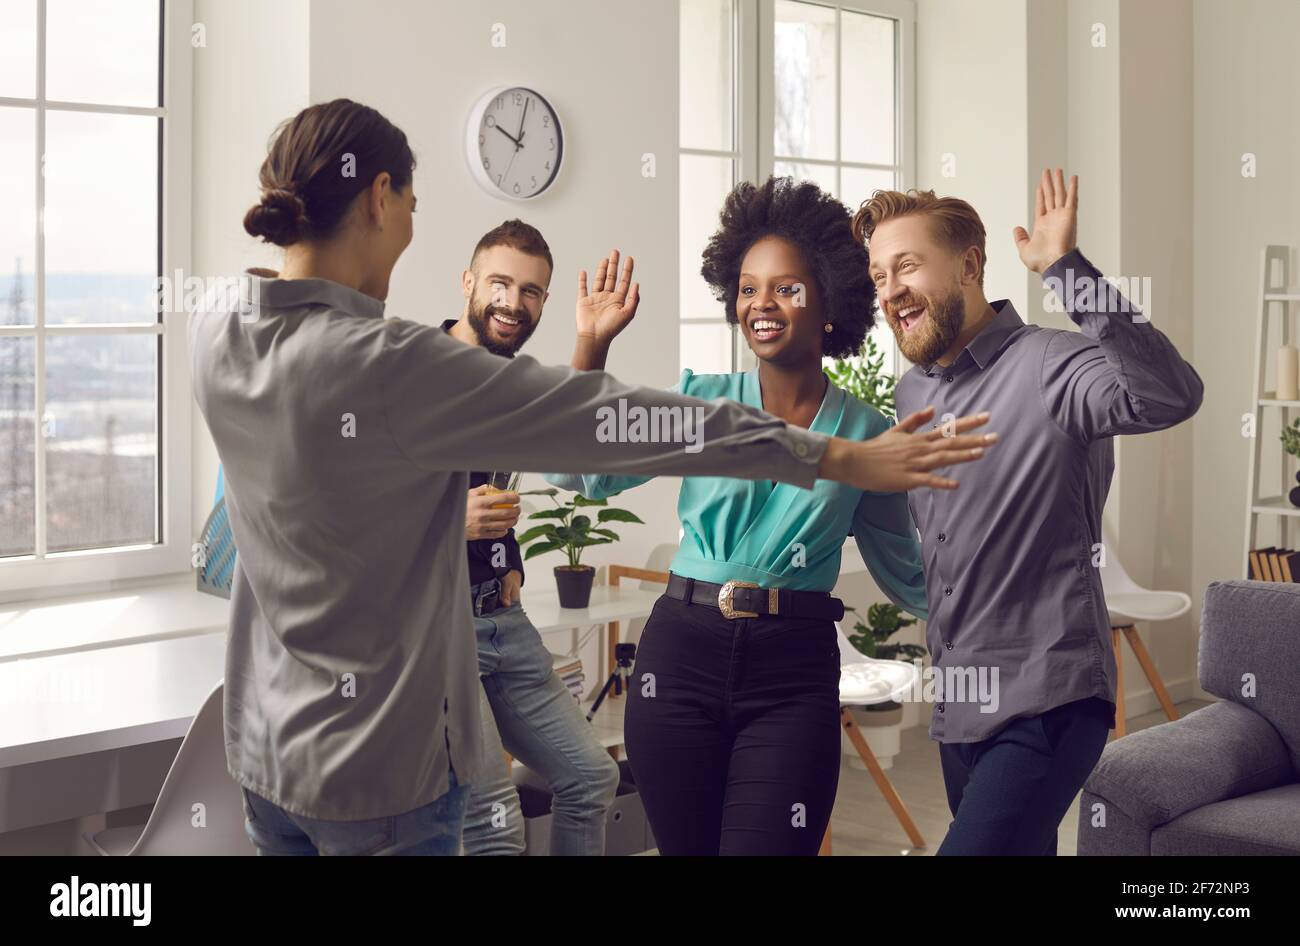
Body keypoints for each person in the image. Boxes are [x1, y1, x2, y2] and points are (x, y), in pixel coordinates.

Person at [189, 99, 995, 855]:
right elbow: (606, 424)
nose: (409, 225)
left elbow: (284, 523)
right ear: (376, 197)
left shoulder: (217, 331)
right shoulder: (396, 364)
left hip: (265, 752)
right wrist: (836, 457)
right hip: (377, 770)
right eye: (409, 205)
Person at [546, 176, 946, 855]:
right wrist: (591, 348)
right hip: (678, 660)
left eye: (786, 288)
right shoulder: (700, 402)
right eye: (749, 287)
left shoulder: (868, 433)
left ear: (829, 303)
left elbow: (915, 577)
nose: (762, 304)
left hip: (792, 675)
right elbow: (576, 471)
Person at [856, 170, 1203, 855]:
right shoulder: (909, 394)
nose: (889, 290)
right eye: (876, 276)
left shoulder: (1053, 363)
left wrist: (1067, 274)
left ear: (969, 265)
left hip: (1048, 698)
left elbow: (1171, 396)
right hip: (959, 705)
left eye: (905, 266)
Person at [446, 219, 622, 856]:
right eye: (499, 283)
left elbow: (569, 442)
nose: (512, 303)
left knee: (591, 776)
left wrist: (591, 340)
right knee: (494, 822)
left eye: (531, 292)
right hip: (437, 631)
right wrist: (450, 521)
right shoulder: (412, 372)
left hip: (504, 619)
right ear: (469, 282)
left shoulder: (513, 381)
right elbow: (355, 504)